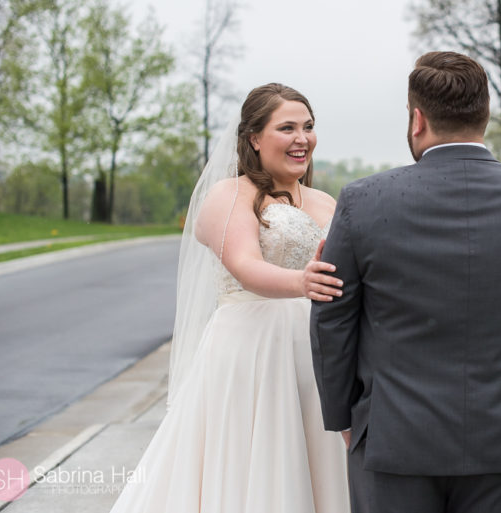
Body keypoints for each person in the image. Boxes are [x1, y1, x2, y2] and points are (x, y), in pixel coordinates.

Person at [310, 51, 501, 513]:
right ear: (485, 116)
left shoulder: (361, 201)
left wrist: (345, 415)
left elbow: (333, 316)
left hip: (393, 438)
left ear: (417, 119)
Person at [109, 83, 350, 513]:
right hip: (252, 352)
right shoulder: (231, 195)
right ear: (254, 138)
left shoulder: (326, 201)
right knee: (252, 466)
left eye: (308, 127)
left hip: (314, 355)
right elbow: (245, 265)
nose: (302, 139)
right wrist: (303, 283)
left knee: (314, 464)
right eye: (287, 128)